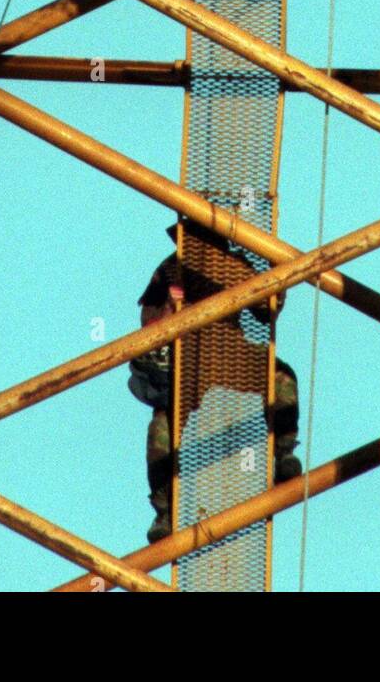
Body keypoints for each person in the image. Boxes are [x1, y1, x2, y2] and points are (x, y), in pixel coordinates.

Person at [130, 233, 302, 545]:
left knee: (281, 378)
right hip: (187, 362)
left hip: (229, 354)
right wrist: (171, 307)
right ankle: (164, 512)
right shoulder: (171, 270)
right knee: (161, 429)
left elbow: (266, 310)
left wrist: (279, 279)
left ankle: (285, 454)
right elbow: (147, 326)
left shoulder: (235, 265)